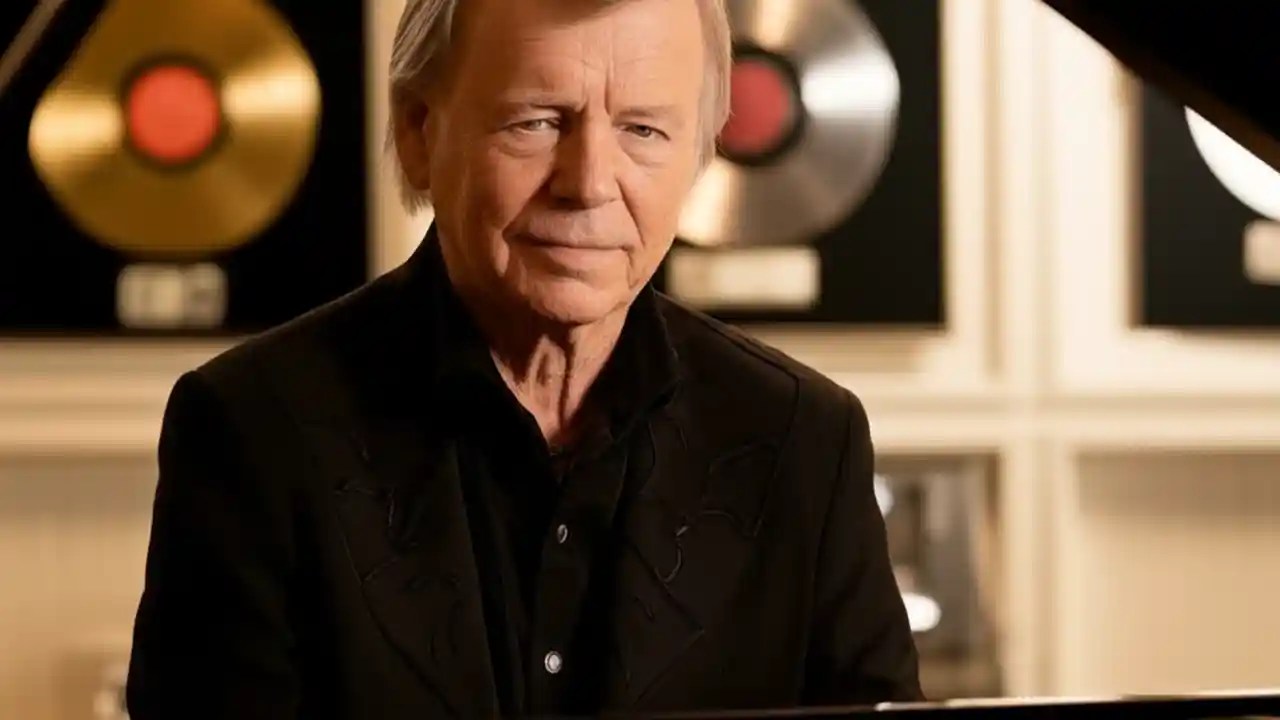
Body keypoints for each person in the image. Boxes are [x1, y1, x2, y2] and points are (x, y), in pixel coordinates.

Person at [124, 0, 923, 717]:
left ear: (699, 157)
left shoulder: (802, 440)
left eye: (644, 130)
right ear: (419, 134)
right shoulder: (253, 428)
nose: (589, 183)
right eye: (536, 122)